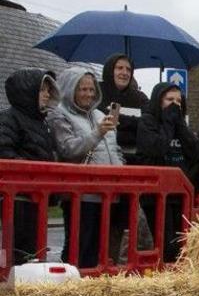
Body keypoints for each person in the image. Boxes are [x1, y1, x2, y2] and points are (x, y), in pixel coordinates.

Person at [46, 66, 123, 268]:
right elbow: (68, 149)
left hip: (108, 192)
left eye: (91, 89)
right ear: (70, 89)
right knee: (79, 247)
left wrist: (121, 171)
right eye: (82, 89)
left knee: (100, 248)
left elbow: (115, 149)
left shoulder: (99, 115)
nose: (88, 94)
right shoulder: (59, 115)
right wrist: (97, 132)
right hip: (80, 195)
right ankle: (70, 286)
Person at [0, 68, 59, 264]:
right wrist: (31, 174)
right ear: (28, 91)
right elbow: (4, 152)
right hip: (17, 198)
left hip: (37, 196)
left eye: (49, 90)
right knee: (17, 251)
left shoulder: (42, 122)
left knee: (34, 250)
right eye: (43, 89)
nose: (47, 94)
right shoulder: (9, 119)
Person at [138, 82, 199, 262]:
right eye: (169, 100)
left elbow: (198, 153)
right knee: (163, 246)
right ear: (159, 100)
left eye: (178, 101)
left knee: (180, 245)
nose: (175, 105)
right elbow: (157, 148)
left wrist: (179, 124)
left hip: (180, 195)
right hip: (156, 196)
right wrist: (168, 122)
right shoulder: (147, 121)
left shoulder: (182, 125)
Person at [98, 54, 150, 164]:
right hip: (102, 157)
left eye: (128, 69)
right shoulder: (97, 91)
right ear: (110, 70)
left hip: (134, 158)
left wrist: (117, 119)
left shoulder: (140, 97)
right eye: (119, 68)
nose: (125, 73)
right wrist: (135, 123)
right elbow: (97, 115)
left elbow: (149, 121)